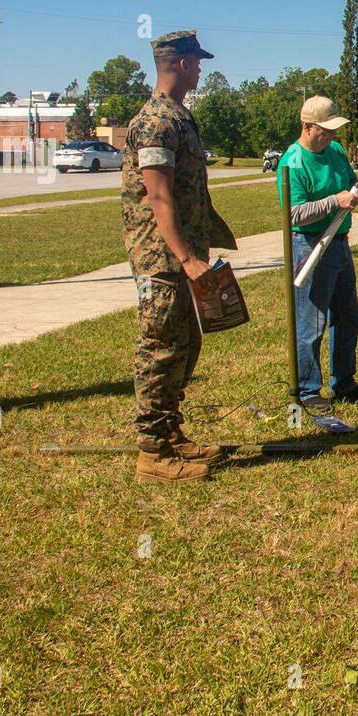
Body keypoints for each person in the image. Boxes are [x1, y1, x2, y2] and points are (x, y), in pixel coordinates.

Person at [124, 30, 238, 482]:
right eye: (197, 60)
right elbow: (159, 198)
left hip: (183, 256)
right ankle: (152, 453)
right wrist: (188, 259)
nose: (201, 68)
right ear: (181, 63)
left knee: (185, 345)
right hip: (161, 260)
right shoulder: (155, 122)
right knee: (160, 348)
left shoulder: (178, 116)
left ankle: (171, 433)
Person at [279, 96, 358, 416]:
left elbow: (349, 181)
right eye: (326, 131)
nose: (333, 137)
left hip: (339, 243)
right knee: (312, 321)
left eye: (335, 131)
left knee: (348, 316)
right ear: (307, 127)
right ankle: (307, 391)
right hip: (310, 245)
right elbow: (294, 214)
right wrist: (336, 200)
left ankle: (344, 382)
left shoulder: (334, 151)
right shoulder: (292, 163)